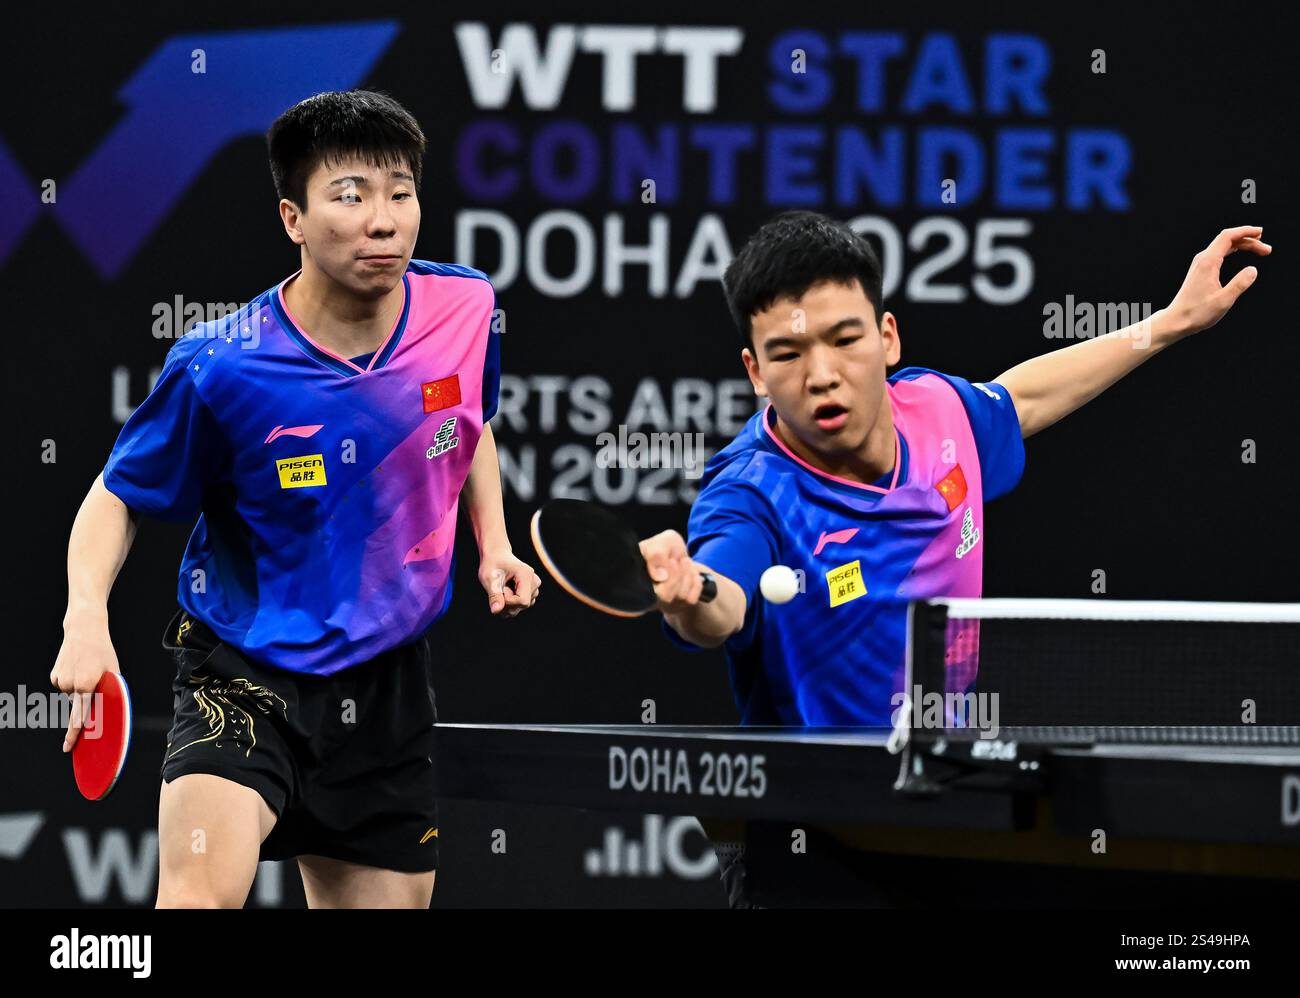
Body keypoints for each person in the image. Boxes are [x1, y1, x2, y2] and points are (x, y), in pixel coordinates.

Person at [641, 210, 1269, 906]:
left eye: (845, 339)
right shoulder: (750, 493)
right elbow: (722, 603)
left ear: (886, 338)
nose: (821, 375)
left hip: (949, 807)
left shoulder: (941, 413)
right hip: (814, 833)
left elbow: (1024, 397)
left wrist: (1173, 321)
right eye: (787, 355)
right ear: (755, 372)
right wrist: (689, 590)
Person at [50, 90, 541, 909]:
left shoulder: (466, 309)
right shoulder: (224, 366)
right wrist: (84, 620)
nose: (382, 219)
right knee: (196, 899)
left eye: (400, 191)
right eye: (349, 195)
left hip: (387, 685)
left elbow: (470, 424)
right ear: (294, 218)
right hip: (242, 671)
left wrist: (492, 545)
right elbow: (117, 496)